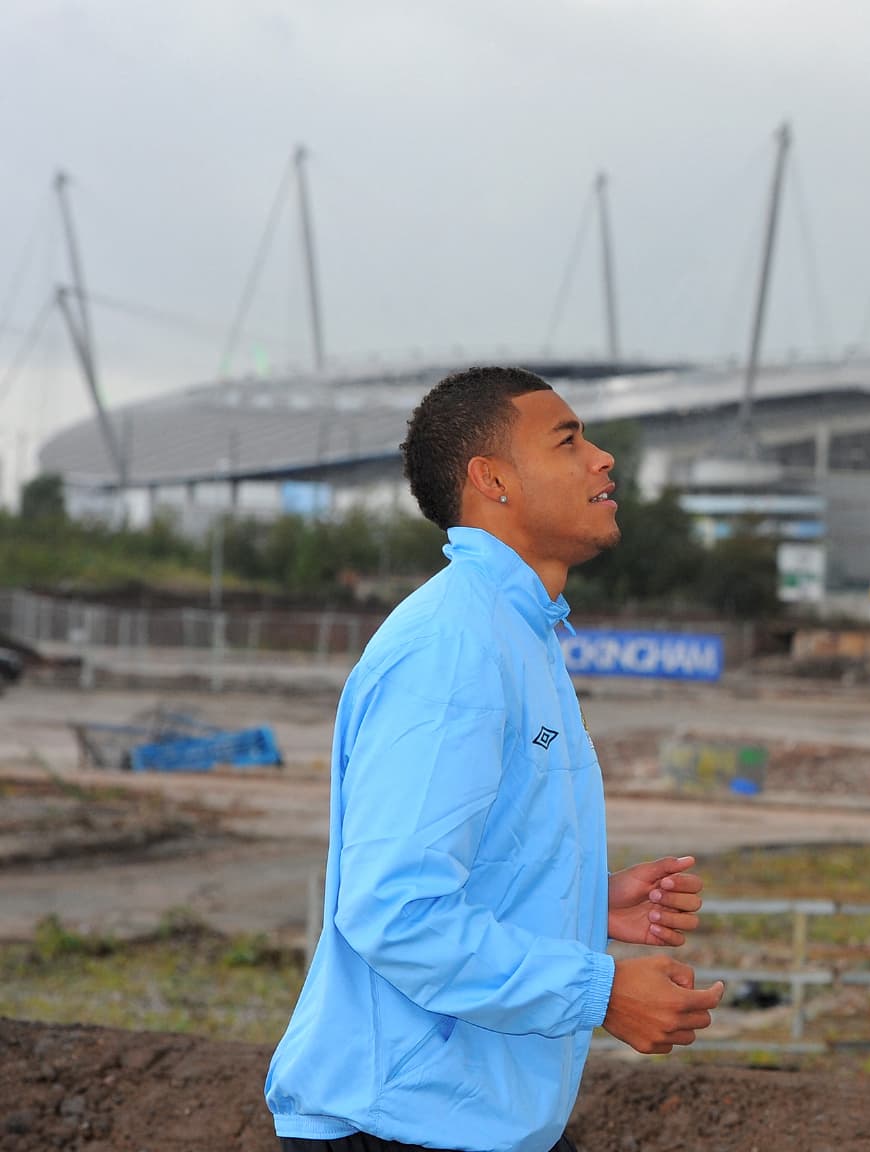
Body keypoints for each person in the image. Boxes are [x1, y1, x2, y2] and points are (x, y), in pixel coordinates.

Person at [266, 366, 725, 1152]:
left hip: (473, 1119)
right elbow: (396, 911)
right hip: (399, 1121)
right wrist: (602, 990)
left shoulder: (522, 634)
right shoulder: (455, 648)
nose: (603, 459)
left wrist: (582, 899)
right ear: (493, 480)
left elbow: (471, 860)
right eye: (569, 440)